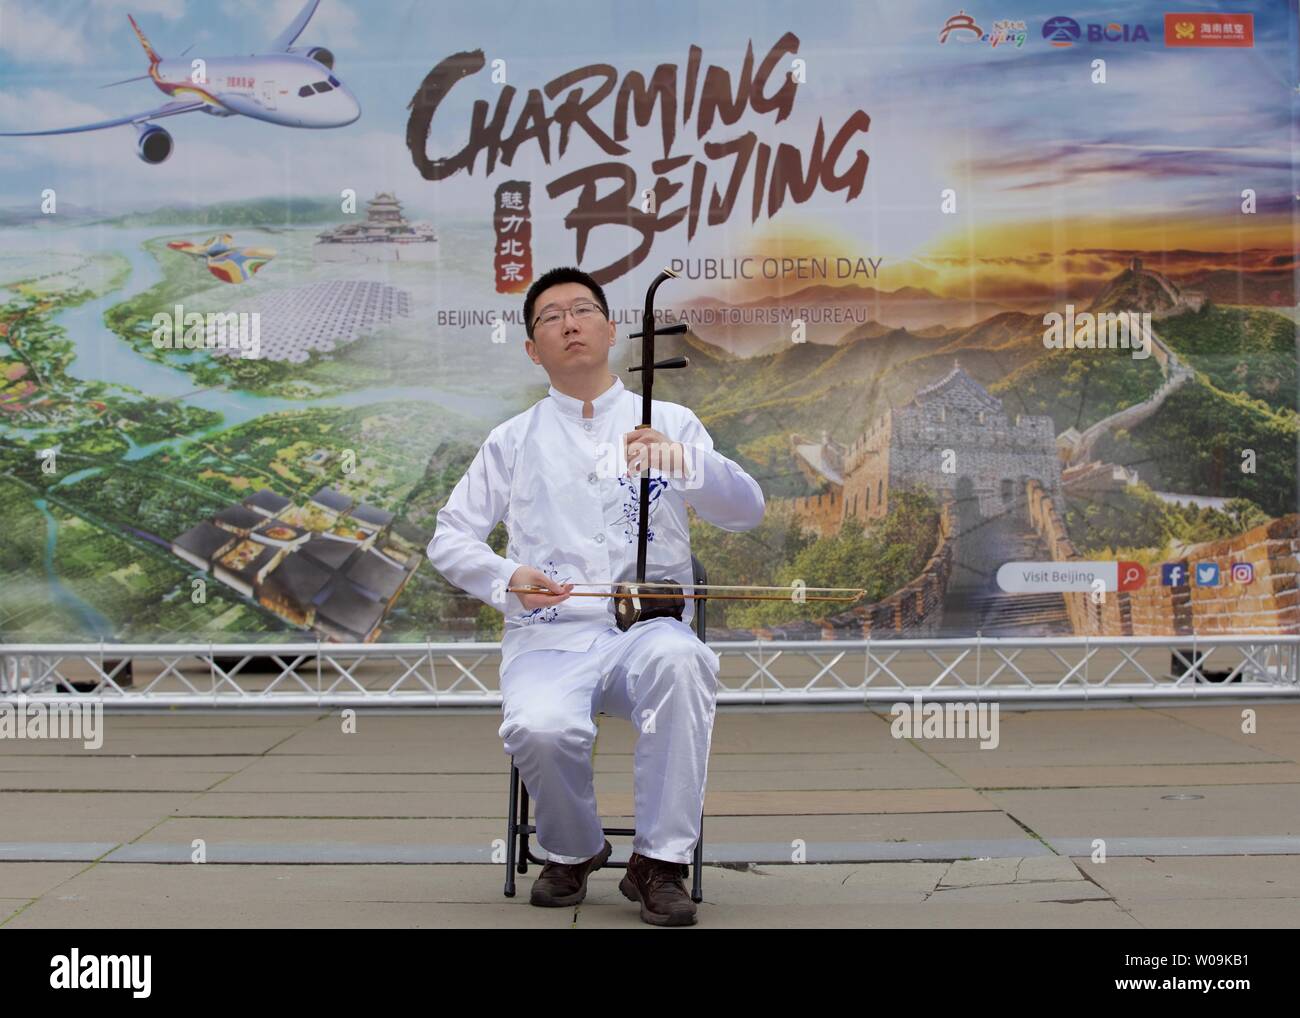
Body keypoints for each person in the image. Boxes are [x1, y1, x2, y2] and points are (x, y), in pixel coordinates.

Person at [426, 265, 765, 926]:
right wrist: (507, 579)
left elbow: (746, 510)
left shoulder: (668, 420)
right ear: (533, 349)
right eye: (550, 317)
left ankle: (659, 863)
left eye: (583, 311)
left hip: (649, 627)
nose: (569, 323)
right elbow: (449, 535)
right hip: (551, 631)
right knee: (538, 727)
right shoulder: (513, 438)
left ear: (611, 329)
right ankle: (574, 850)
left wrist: (683, 461)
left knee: (684, 661)